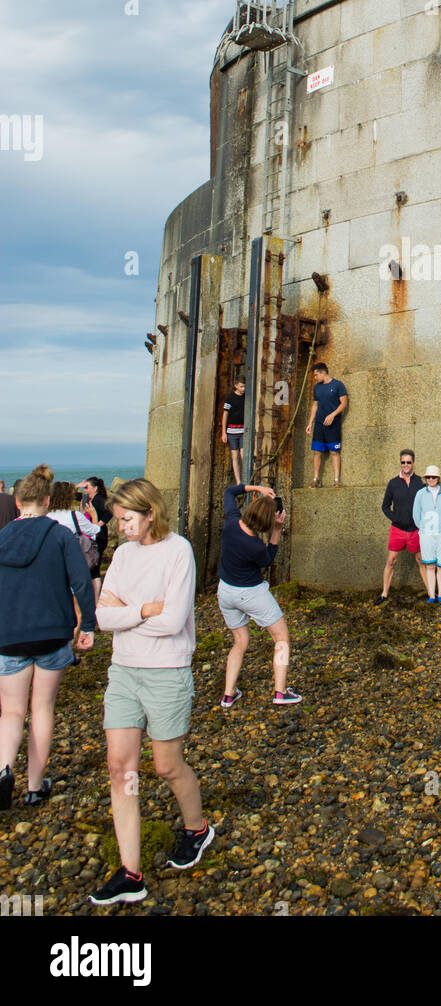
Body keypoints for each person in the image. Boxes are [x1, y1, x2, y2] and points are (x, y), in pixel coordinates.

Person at [90, 478, 211, 906]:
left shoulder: (179, 551)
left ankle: (197, 829)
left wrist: (124, 613)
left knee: (165, 765)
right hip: (123, 669)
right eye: (118, 519)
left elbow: (175, 620)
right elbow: (101, 618)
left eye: (126, 518)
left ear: (150, 514)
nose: (120, 525)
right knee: (121, 769)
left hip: (166, 671)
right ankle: (131, 873)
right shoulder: (122, 554)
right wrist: (142, 610)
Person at [0, 464, 95, 811]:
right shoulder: (60, 535)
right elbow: (82, 582)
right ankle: (34, 787)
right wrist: (88, 626)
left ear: (17, 499)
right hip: (53, 633)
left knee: (10, 712)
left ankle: (3, 771)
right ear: (45, 499)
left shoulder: (2, 536)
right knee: (42, 707)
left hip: (8, 635)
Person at [217, 482, 300, 708]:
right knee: (281, 638)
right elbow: (267, 560)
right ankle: (280, 692)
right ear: (267, 522)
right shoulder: (254, 545)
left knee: (240, 641)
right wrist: (277, 531)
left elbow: (229, 491)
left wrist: (257, 489)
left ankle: (228, 694)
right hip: (250, 593)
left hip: (225, 592)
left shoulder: (231, 521)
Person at [49, 481, 103, 648]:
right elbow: (95, 532)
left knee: (58, 609)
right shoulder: (74, 516)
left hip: (53, 568)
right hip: (73, 566)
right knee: (77, 611)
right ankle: (70, 647)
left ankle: (60, 646)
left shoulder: (46, 517)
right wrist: (93, 516)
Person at [376, 450, 426, 604]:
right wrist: (395, 518)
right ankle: (384, 593)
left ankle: (432, 593)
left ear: (413, 463)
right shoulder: (393, 483)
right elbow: (385, 506)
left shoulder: (420, 482)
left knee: (421, 560)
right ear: (400, 463)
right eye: (403, 462)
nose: (406, 465)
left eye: (408, 462)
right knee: (391, 560)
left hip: (415, 530)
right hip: (397, 529)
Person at [412, 467, 441, 603]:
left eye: (433, 477)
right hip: (426, 534)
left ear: (438, 478)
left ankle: (440, 594)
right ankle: (431, 595)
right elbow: (416, 514)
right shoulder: (420, 494)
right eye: (428, 477)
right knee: (429, 565)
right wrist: (423, 527)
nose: (431, 479)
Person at [305, 363, 348, 486]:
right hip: (319, 424)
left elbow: (344, 403)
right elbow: (315, 405)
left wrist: (332, 415)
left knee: (334, 452)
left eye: (316, 374)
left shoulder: (338, 385)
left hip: (333, 425)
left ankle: (336, 480)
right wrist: (310, 423)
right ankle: (316, 479)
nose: (315, 377)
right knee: (317, 452)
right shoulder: (317, 387)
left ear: (323, 372)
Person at [74, 477, 112, 602]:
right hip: (92, 535)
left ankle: (96, 600)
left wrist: (99, 524)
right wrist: (78, 485)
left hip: (99, 536)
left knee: (95, 568)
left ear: (95, 488)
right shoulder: (89, 499)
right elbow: (71, 494)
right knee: (92, 568)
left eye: (87, 487)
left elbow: (110, 511)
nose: (84, 490)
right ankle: (93, 598)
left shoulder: (98, 500)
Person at [221, 378, 246, 486]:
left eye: (244, 386)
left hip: (243, 431)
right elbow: (225, 414)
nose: (243, 389)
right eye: (241, 386)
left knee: (243, 454)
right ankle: (238, 481)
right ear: (236, 386)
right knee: (234, 456)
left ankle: (247, 478)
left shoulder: (246, 397)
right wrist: (223, 432)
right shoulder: (230, 398)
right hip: (232, 431)